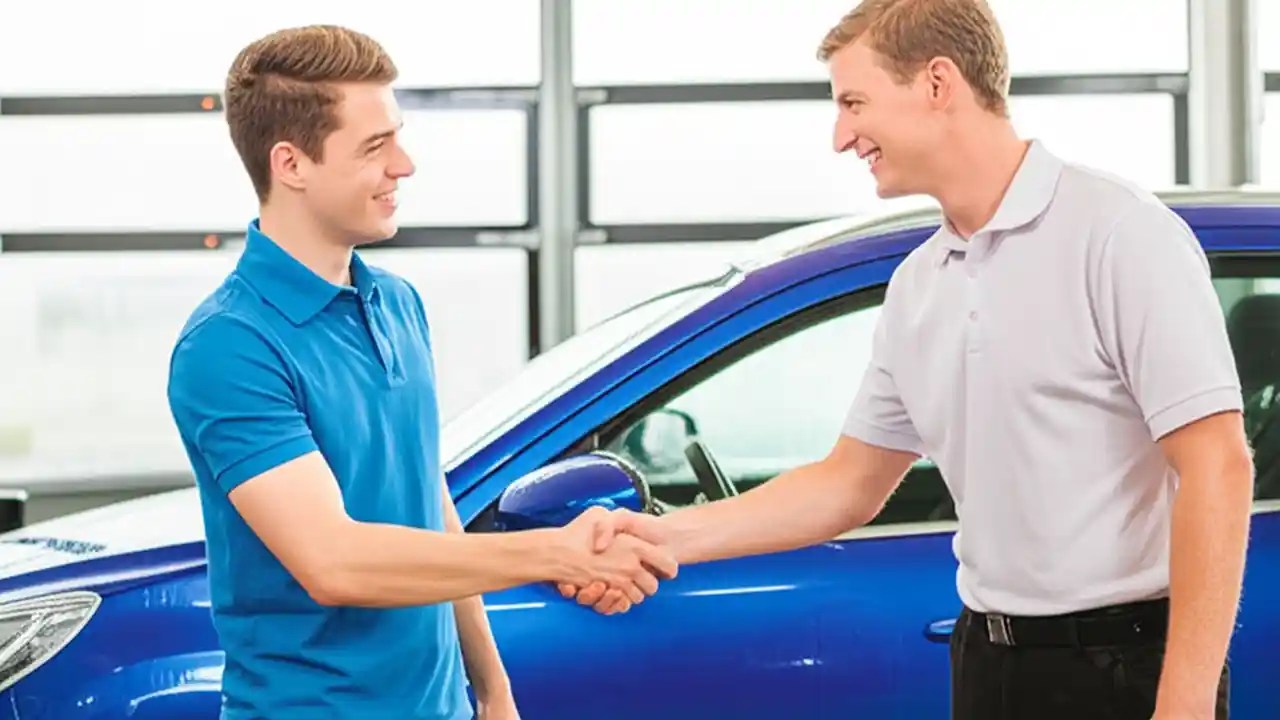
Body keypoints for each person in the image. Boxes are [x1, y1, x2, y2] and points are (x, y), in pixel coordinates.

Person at [561, 1, 1253, 718]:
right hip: (987, 661)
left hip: (1123, 667)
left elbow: (1217, 465)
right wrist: (657, 536)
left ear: (937, 83)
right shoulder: (921, 284)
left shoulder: (1118, 234)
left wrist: (1186, 703)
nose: (841, 136)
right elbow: (846, 485)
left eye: (854, 102)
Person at [166, 25, 676, 720]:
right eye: (375, 146)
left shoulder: (397, 305)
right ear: (291, 164)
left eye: (397, 137)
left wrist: (492, 691)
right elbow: (334, 562)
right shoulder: (229, 345)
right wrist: (558, 554)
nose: (404, 165)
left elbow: (429, 506)